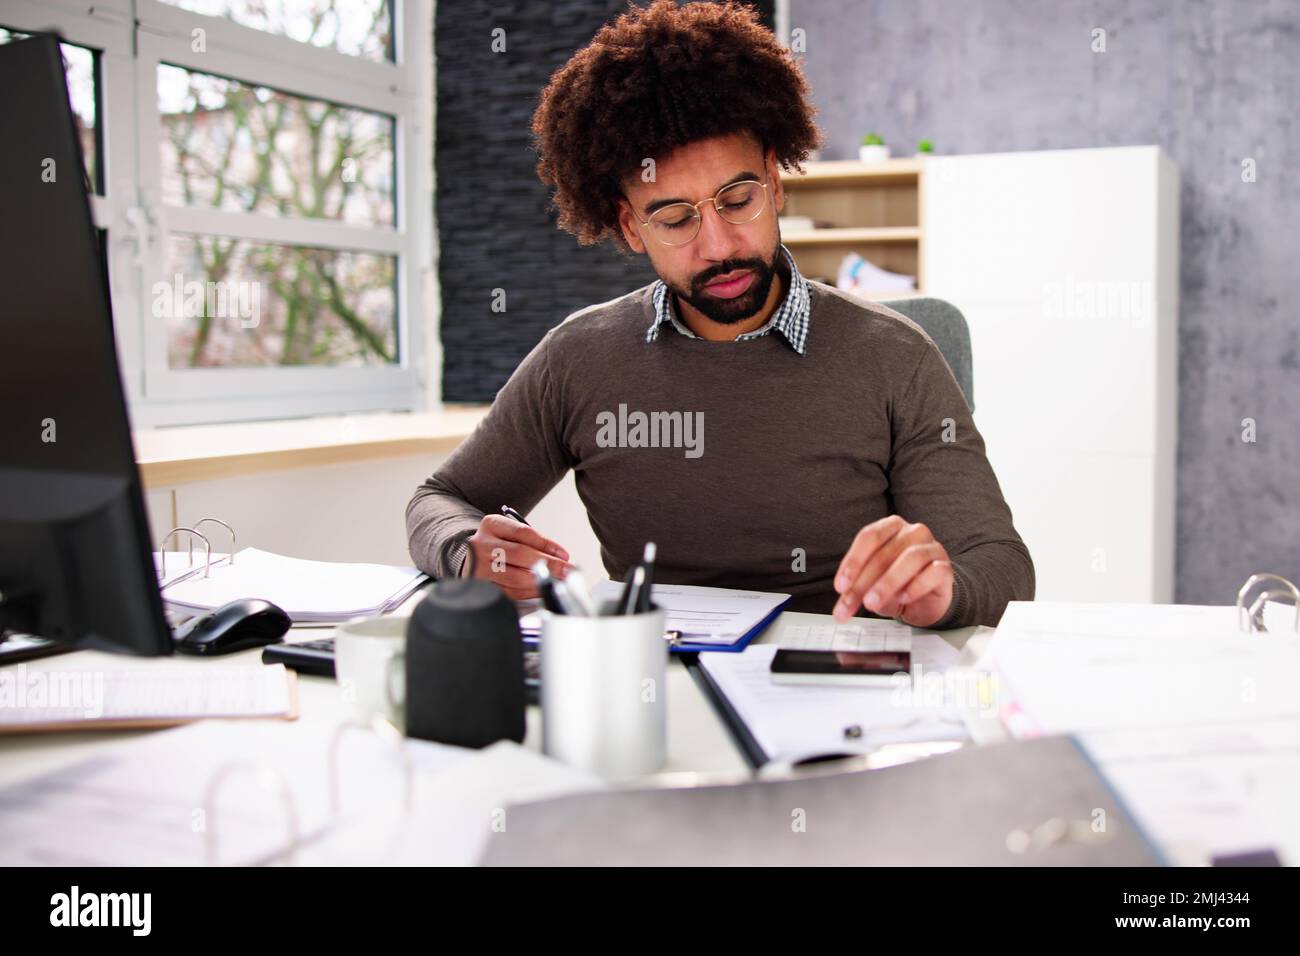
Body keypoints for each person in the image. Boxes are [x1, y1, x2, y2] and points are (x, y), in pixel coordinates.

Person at [407, 0, 1033, 627]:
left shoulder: (894, 356)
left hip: (836, 682)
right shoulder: (578, 359)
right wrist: (465, 552)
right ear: (630, 226)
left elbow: (1000, 563)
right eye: (675, 219)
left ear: (776, 182)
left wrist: (942, 589)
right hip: (651, 681)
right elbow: (443, 500)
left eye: (738, 199)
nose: (719, 245)